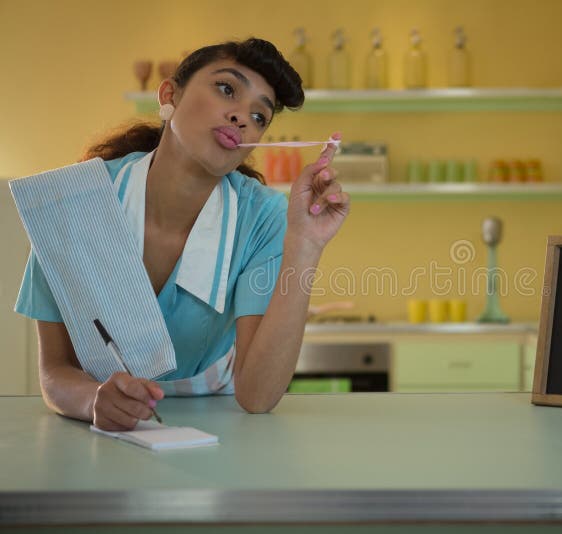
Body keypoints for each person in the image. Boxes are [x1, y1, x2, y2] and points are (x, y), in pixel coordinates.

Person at [14, 38, 349, 431]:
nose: (243, 117)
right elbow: (55, 370)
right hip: (96, 432)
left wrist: (305, 246)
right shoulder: (73, 201)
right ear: (169, 94)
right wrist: (93, 400)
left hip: (220, 435)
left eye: (260, 116)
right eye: (227, 89)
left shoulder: (264, 217)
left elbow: (257, 397)